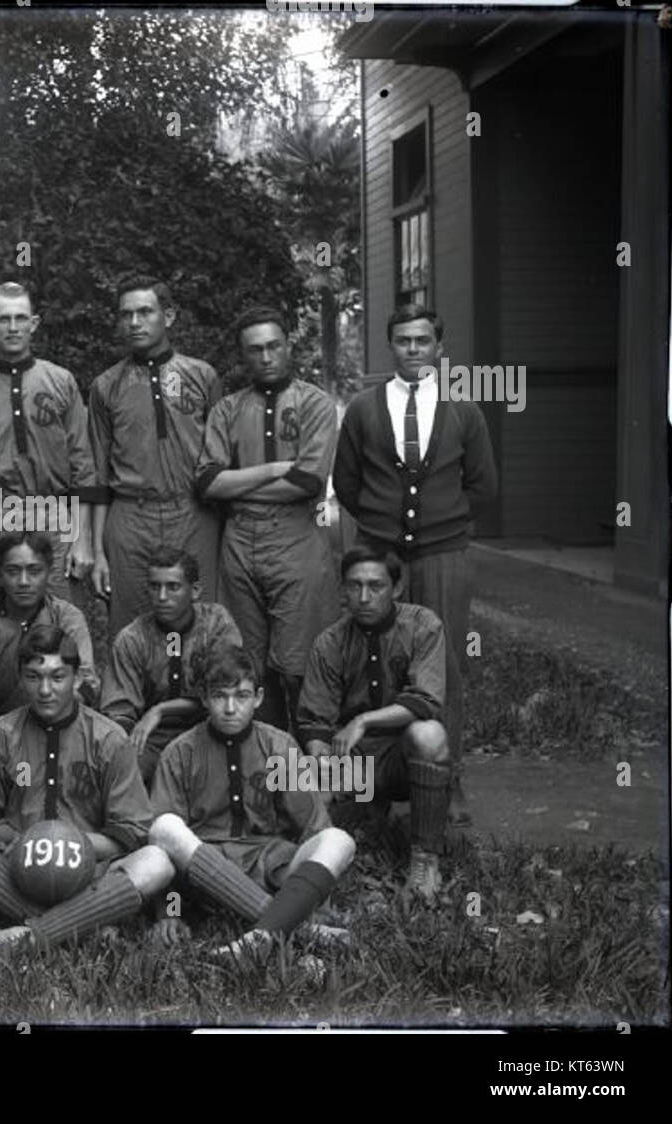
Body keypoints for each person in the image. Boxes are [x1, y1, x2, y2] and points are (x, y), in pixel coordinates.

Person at [333, 303, 498, 827]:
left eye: (422, 341)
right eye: (402, 341)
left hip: (442, 553)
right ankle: (374, 780)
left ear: (438, 348)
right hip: (381, 552)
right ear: (391, 347)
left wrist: (441, 523)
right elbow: (347, 482)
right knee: (372, 656)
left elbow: (483, 486)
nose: (412, 349)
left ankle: (445, 780)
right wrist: (382, 528)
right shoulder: (363, 408)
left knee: (445, 662)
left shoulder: (464, 411)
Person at [0, 625, 175, 956]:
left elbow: (131, 831)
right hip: (14, 867)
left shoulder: (110, 739)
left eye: (57, 677)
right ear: (21, 679)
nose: (45, 689)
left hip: (92, 875)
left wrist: (65, 845)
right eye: (33, 677)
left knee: (158, 862)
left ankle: (22, 936)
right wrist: (23, 844)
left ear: (78, 678)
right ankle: (82, 926)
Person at [148, 645, 355, 960]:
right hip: (204, 875)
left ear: (258, 698)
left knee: (338, 840)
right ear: (204, 699)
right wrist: (170, 911)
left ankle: (262, 934)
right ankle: (293, 927)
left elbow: (313, 828)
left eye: (241, 696)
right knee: (164, 828)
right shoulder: (180, 753)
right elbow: (163, 851)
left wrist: (320, 907)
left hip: (270, 868)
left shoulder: (279, 745)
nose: (230, 708)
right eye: (219, 696)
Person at [195, 306, 339, 731]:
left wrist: (236, 483)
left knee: (300, 662)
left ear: (288, 345)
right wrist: (275, 470)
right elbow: (206, 482)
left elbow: (308, 482)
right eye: (254, 350)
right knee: (247, 662)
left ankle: (310, 765)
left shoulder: (314, 403)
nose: (266, 357)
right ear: (243, 356)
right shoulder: (227, 409)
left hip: (296, 536)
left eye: (274, 346)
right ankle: (263, 764)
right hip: (239, 541)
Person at [297, 545, 452, 903]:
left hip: (403, 757)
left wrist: (364, 720)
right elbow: (314, 723)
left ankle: (425, 860)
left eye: (375, 586)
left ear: (396, 588)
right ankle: (349, 828)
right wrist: (323, 768)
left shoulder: (424, 625)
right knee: (285, 781)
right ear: (343, 590)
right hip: (351, 761)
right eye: (354, 586)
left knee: (429, 734)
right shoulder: (329, 642)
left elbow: (426, 701)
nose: (364, 597)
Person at [89, 276, 223, 639]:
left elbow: (221, 459)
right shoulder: (106, 387)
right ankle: (134, 696)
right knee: (133, 625)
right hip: (131, 516)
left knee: (201, 620)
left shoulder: (201, 376)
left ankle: (198, 693)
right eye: (126, 314)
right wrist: (96, 549)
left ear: (169, 316)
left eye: (145, 312)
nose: (134, 322)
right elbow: (98, 475)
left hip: (193, 512)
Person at [0, 281, 100, 604]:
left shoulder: (60, 381)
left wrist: (83, 538)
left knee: (59, 616)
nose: (12, 327)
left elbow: (83, 464)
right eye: (3, 319)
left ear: (33, 324)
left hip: (53, 512)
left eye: (21, 318)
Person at [100, 547, 244, 782]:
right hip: (151, 737)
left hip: (209, 730)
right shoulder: (133, 638)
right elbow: (119, 709)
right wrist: (128, 746)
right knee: (123, 767)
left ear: (195, 590)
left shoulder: (217, 623)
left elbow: (225, 689)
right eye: (155, 587)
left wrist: (161, 710)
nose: (162, 597)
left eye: (173, 587)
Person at [0, 531, 99, 717]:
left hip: (56, 721)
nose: (23, 582)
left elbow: (88, 684)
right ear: (0, 574)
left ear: (48, 572)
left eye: (34, 571)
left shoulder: (67, 617)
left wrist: (46, 708)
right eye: (13, 571)